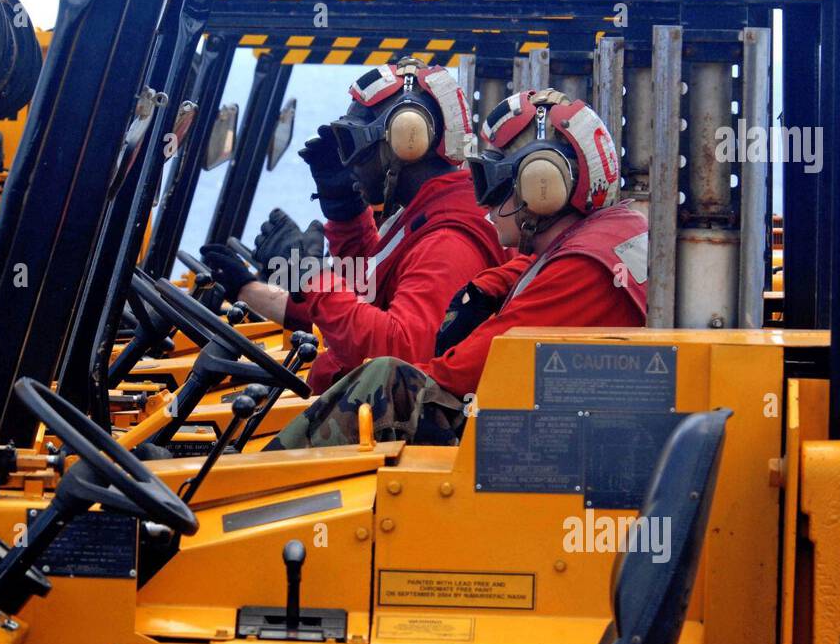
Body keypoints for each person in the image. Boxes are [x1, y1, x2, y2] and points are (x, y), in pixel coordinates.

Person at [266, 88, 649, 449]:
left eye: (492, 181)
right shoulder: (603, 236)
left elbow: (441, 370)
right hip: (562, 431)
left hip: (534, 446)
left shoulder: (567, 269)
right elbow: (374, 286)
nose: (482, 201)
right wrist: (485, 288)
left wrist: (314, 282)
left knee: (386, 381)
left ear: (541, 186)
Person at [201, 57, 505, 393]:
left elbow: (400, 355)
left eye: (355, 147)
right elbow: (368, 293)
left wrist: (310, 276)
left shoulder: (448, 243)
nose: (348, 164)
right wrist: (344, 212)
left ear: (407, 143)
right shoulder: (425, 214)